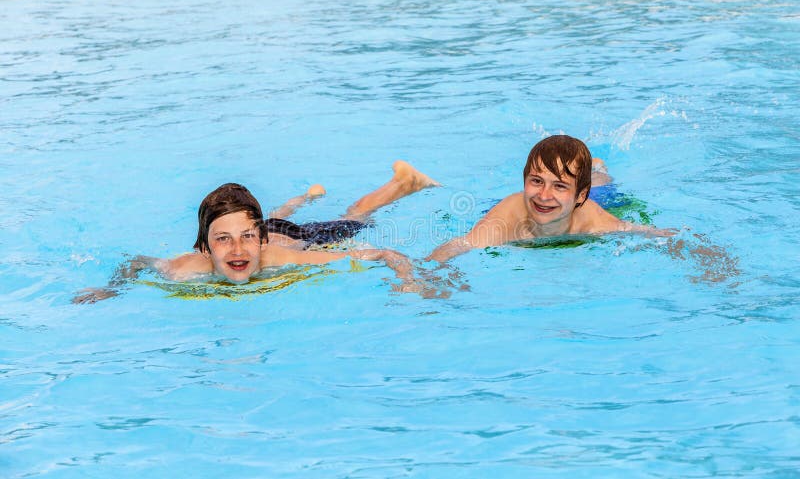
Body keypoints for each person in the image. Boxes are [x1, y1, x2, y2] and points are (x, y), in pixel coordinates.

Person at [74, 161, 441, 303]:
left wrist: (408, 278)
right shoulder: (184, 268)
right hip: (268, 226)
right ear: (204, 246)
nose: (237, 250)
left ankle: (401, 182)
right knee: (275, 215)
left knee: (357, 219)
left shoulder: (285, 259)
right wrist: (109, 289)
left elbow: (382, 253)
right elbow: (136, 262)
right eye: (222, 240)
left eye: (246, 238)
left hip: (293, 235)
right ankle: (303, 198)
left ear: (259, 241)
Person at [427, 135, 674, 263]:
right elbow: (457, 247)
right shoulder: (506, 219)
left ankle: (597, 170)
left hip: (595, 198)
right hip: (522, 212)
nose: (544, 196)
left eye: (559, 186)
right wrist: (426, 278)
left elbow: (654, 233)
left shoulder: (594, 221)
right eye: (536, 181)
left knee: (603, 186)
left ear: (580, 196)